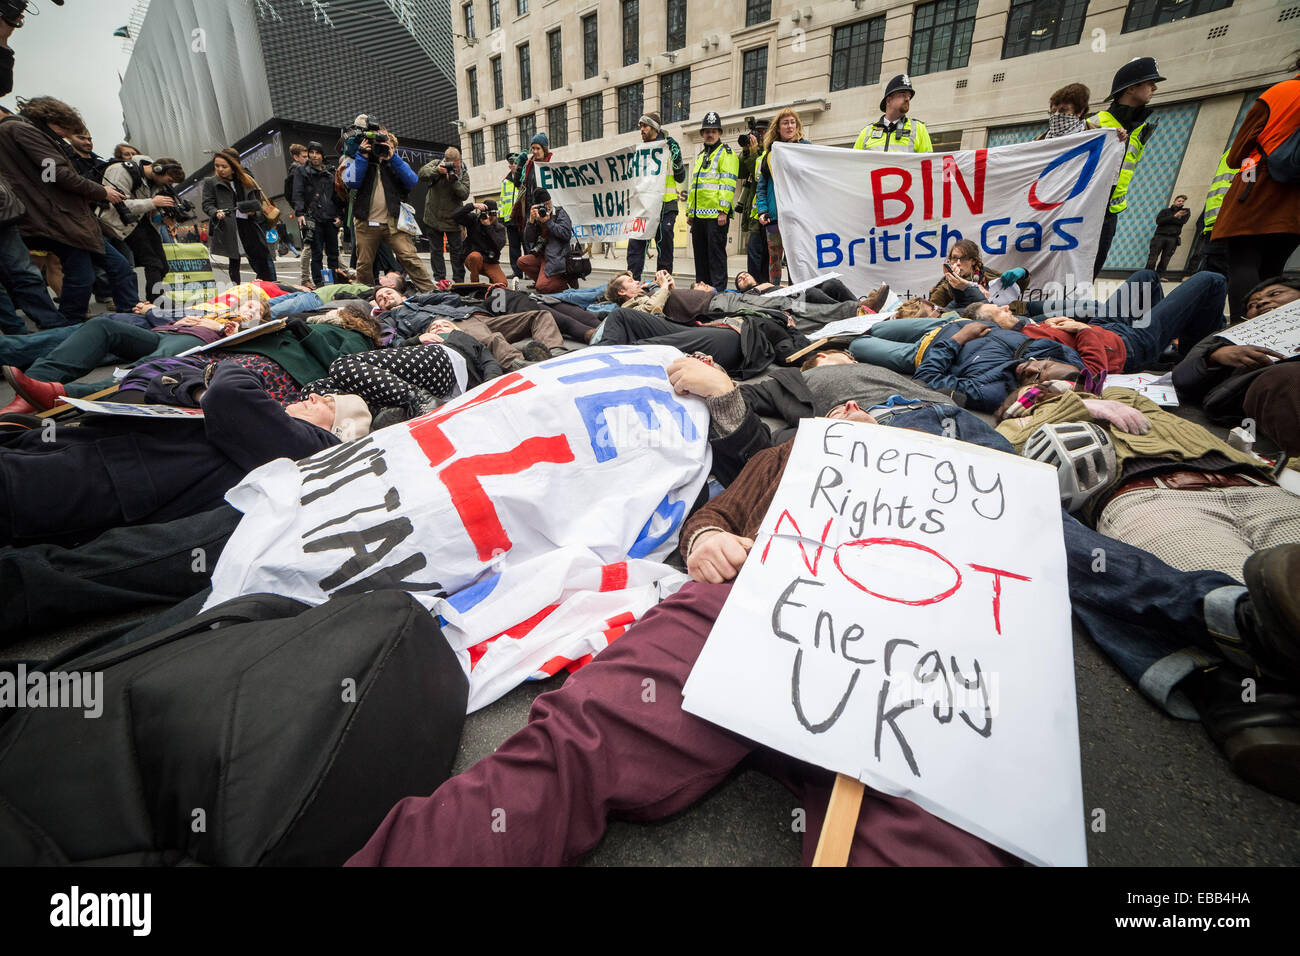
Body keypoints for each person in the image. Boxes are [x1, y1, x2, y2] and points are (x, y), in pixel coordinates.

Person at [0, 363, 363, 547]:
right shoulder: (273, 421)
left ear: (338, 431)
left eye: (329, 403)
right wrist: (201, 388)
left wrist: (220, 371)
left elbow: (229, 394)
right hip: (89, 450)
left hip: (105, 480)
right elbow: (164, 384)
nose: (315, 396)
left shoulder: (316, 450)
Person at [0, 96, 140, 325]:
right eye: (63, 129)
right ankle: (75, 322)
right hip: (61, 217)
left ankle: (78, 321)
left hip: (59, 216)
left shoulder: (15, 132)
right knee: (92, 271)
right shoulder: (23, 131)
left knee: (102, 268)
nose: (65, 135)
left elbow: (48, 174)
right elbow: (56, 173)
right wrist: (101, 191)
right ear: (49, 119)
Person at [1211, 54, 1300, 323]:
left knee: (1244, 261)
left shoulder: (1282, 92)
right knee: (1274, 266)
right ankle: (1271, 333)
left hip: (1259, 183)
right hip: (1295, 200)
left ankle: (1243, 328)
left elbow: (1236, 154)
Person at [1172, 274, 1300, 454]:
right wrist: (1215, 356)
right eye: (1252, 305)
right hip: (1269, 385)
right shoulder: (1229, 336)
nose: (1261, 303)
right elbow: (1182, 377)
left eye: (1275, 294)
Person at [1093, 56, 1166, 277]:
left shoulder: (1140, 128)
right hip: (1085, 213)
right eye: (1149, 82)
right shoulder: (1096, 123)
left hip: (1109, 215)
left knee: (1091, 273)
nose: (1154, 87)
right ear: (1132, 88)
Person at [340, 122, 434, 292]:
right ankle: (366, 295)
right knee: (364, 265)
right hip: (366, 222)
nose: (379, 147)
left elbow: (412, 181)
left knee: (409, 258)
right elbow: (351, 181)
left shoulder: (394, 161)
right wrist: (362, 155)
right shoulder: (359, 159)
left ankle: (431, 292)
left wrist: (393, 157)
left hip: (393, 221)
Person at [99, 155, 186, 302]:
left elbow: (150, 206)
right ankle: (154, 301)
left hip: (141, 220)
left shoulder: (154, 182)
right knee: (151, 262)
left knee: (163, 265)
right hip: (119, 221)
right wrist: (152, 202)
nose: (168, 185)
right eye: (169, 181)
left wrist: (163, 214)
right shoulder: (120, 171)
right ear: (158, 170)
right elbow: (117, 204)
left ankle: (153, 299)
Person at [202, 148, 276, 284]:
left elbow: (258, 202)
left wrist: (254, 212)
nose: (220, 169)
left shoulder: (247, 179)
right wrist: (215, 212)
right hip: (229, 226)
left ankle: (269, 286)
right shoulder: (210, 182)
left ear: (234, 166)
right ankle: (236, 290)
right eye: (216, 166)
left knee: (261, 257)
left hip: (249, 224)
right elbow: (207, 204)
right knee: (234, 261)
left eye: (224, 166)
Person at [626, 112, 685, 282]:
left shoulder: (669, 147)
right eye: (641, 127)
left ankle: (663, 287)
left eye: (645, 126)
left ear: (654, 127)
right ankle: (632, 285)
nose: (641, 130)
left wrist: (677, 159)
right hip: (643, 208)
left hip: (665, 207)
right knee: (635, 248)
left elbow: (680, 178)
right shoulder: (638, 151)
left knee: (665, 250)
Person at [754, 108, 809, 287]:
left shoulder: (806, 149)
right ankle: (776, 295)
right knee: (774, 262)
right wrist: (762, 210)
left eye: (793, 122)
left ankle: (798, 294)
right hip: (775, 217)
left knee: (798, 260)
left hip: (798, 216)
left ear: (797, 125)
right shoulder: (769, 155)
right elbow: (761, 187)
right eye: (785, 123)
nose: (790, 126)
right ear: (778, 127)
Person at [686, 112, 738, 293]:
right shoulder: (700, 156)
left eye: (714, 131)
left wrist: (723, 210)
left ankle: (718, 294)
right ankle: (702, 292)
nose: (710, 134)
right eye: (707, 131)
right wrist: (689, 212)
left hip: (716, 216)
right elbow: (694, 186)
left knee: (716, 257)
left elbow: (728, 183)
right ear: (702, 134)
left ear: (720, 133)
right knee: (700, 257)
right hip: (698, 216)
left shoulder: (726, 153)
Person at [928, 238, 1030, 313]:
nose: (958, 263)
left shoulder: (987, 274)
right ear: (949, 261)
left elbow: (1017, 287)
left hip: (1008, 316)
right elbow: (932, 315)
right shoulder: (944, 287)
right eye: (955, 258)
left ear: (973, 261)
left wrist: (1023, 273)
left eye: (964, 258)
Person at [292, 142, 343, 288]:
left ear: (322, 155)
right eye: (311, 152)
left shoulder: (330, 173)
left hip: (331, 217)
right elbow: (297, 193)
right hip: (313, 218)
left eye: (317, 152)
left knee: (334, 253)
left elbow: (337, 196)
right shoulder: (301, 171)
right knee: (317, 254)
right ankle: (319, 283)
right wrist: (300, 213)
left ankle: (335, 282)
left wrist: (340, 216)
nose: (314, 155)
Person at [418, 147, 471, 282]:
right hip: (433, 218)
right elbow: (421, 174)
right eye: (452, 164)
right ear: (446, 161)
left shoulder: (463, 173)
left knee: (457, 253)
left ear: (459, 160)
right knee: (436, 252)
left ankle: (459, 281)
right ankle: (440, 280)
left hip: (453, 220)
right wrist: (437, 171)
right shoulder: (436, 164)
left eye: (457, 163)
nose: (455, 166)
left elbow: (464, 194)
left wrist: (454, 181)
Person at [853, 74, 933, 153]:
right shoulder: (867, 132)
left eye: (909, 96)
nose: (907, 99)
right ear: (888, 100)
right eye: (902, 95)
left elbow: (928, 163)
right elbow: (854, 162)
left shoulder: (919, 129)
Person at [517, 188, 575, 294]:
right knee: (522, 261)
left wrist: (548, 222)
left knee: (542, 287)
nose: (546, 207)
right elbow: (528, 239)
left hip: (557, 257)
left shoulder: (559, 213)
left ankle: (562, 282)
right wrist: (531, 222)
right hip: (542, 255)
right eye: (542, 205)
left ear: (550, 201)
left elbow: (566, 235)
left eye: (547, 203)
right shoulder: (536, 216)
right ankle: (546, 280)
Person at [736, 122, 768, 286]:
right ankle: (754, 287)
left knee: (766, 255)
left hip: (768, 211)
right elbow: (740, 172)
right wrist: (746, 151)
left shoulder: (770, 151)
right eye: (756, 133)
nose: (758, 136)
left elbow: (758, 174)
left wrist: (754, 153)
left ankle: (766, 287)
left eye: (762, 132)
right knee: (754, 252)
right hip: (754, 212)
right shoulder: (751, 152)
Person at [509, 134, 553, 239]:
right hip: (529, 211)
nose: (535, 151)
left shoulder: (552, 164)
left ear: (544, 149)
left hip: (546, 211)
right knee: (529, 243)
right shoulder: (528, 164)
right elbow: (517, 185)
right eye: (533, 148)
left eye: (538, 148)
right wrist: (520, 166)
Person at [454, 199, 507, 285]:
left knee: (502, 284)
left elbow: (499, 245)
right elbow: (455, 215)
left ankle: (492, 286)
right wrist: (472, 206)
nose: (488, 217)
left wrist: (488, 227)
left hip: (490, 261)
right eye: (485, 214)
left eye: (491, 214)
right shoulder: (474, 220)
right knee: (475, 256)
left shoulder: (499, 228)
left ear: (496, 214)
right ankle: (475, 283)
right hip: (473, 259)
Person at [1146, 194, 1190, 275]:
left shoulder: (1185, 212)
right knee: (1153, 257)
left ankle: (1160, 275)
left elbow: (1182, 222)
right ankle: (1148, 275)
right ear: (1174, 201)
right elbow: (1159, 222)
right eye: (1179, 201)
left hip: (1173, 238)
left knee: (1166, 258)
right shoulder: (1165, 211)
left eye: (1182, 201)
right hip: (1160, 236)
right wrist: (1175, 216)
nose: (1180, 202)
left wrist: (1169, 219)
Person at [499, 154, 524, 279]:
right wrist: (501, 217)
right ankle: (517, 272)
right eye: (512, 163)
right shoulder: (505, 182)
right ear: (509, 165)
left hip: (523, 219)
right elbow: (502, 200)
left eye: (516, 163)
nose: (514, 165)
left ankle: (530, 272)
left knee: (527, 246)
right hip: (510, 220)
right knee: (514, 248)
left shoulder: (524, 178)